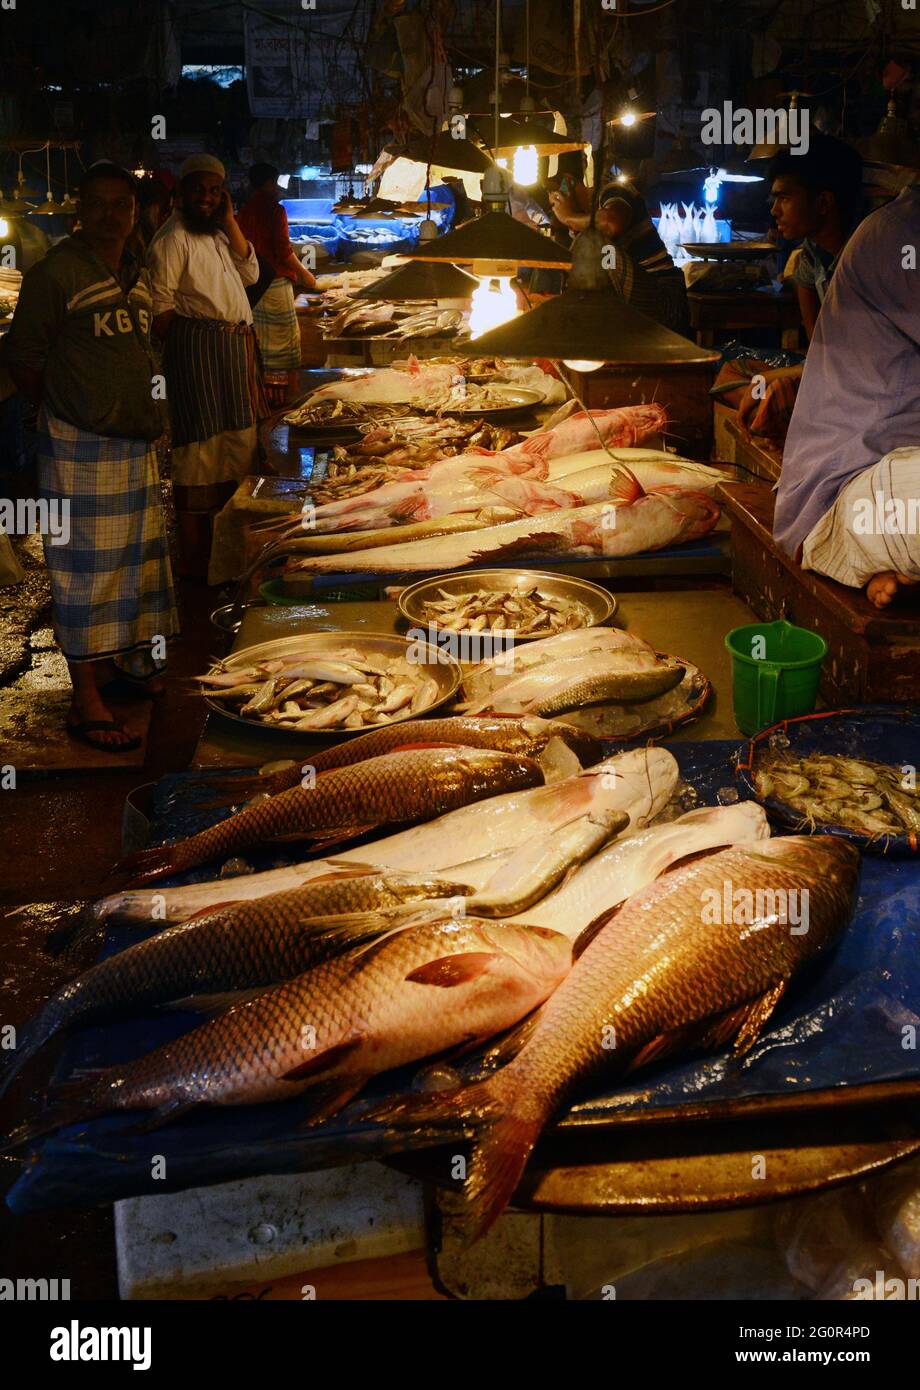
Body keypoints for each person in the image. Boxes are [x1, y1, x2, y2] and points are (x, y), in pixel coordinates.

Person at [1, 161, 178, 751]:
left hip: (134, 441)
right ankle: (87, 700)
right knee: (82, 572)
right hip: (80, 445)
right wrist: (70, 407)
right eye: (99, 204)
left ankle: (124, 667)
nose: (111, 214)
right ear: (82, 209)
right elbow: (24, 359)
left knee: (134, 566)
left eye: (121, 206)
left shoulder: (136, 267)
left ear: (134, 212)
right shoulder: (56, 274)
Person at [773, 180, 920, 610]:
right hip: (850, 481)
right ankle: (857, 550)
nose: (775, 209)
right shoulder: (901, 235)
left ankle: (887, 563)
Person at [147, 154, 269, 578]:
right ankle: (197, 568)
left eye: (214, 191)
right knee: (200, 457)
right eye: (198, 189)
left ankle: (232, 560)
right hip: (199, 359)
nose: (206, 197)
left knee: (238, 450)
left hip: (233, 354)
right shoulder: (171, 238)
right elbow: (159, 312)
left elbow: (251, 273)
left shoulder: (216, 234)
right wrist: (197, 352)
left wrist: (229, 219)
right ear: (180, 193)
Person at [735, 134, 864, 438]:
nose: (774, 210)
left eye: (785, 198)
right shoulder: (810, 259)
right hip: (833, 371)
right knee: (735, 374)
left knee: (772, 391)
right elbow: (819, 351)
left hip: (871, 391)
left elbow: (857, 366)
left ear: (823, 202)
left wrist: (778, 379)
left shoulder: (868, 258)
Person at [548, 167, 689, 333]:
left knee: (593, 245)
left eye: (558, 198)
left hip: (666, 302)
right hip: (636, 311)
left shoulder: (615, 191)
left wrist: (568, 216)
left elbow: (611, 223)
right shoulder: (581, 227)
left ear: (569, 182)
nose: (557, 205)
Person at [237, 162, 316, 396]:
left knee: (259, 344)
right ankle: (291, 394)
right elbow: (283, 251)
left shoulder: (244, 210)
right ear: (270, 182)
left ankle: (261, 396)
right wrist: (306, 275)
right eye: (276, 182)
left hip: (253, 286)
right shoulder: (275, 209)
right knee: (288, 345)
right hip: (275, 284)